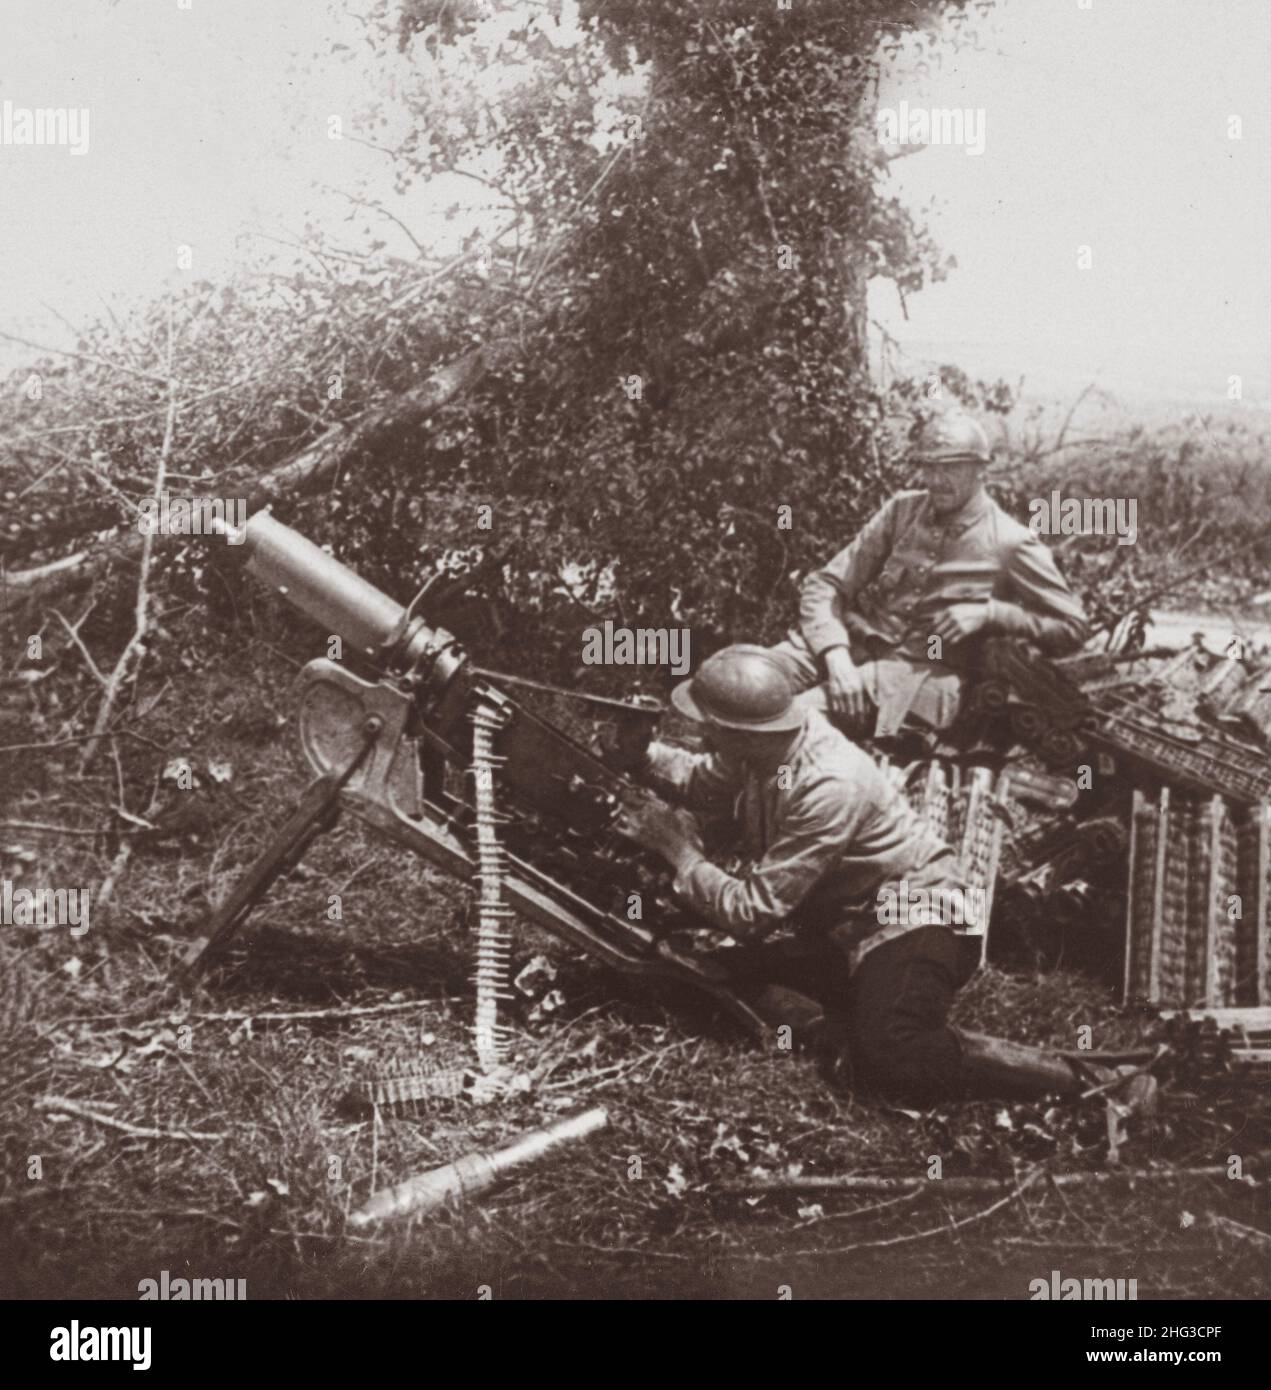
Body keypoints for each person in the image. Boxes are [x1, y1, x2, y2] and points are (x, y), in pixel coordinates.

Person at [616, 644, 1145, 1104]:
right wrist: (642, 756)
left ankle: (1089, 1079)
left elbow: (753, 913)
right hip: (853, 926)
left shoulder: (828, 782)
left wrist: (681, 854)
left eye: (708, 725)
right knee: (713, 972)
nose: (702, 732)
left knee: (894, 1054)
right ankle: (844, 1025)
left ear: (738, 731)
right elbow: (702, 782)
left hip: (919, 915)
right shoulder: (761, 748)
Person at [769, 412, 1088, 740]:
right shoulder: (902, 511)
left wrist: (991, 613)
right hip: (853, 646)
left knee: (789, 721)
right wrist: (834, 653)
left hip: (919, 678)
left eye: (950, 467)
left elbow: (1072, 628)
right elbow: (827, 583)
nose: (936, 480)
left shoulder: (1011, 541)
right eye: (929, 467)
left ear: (981, 469)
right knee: (738, 681)